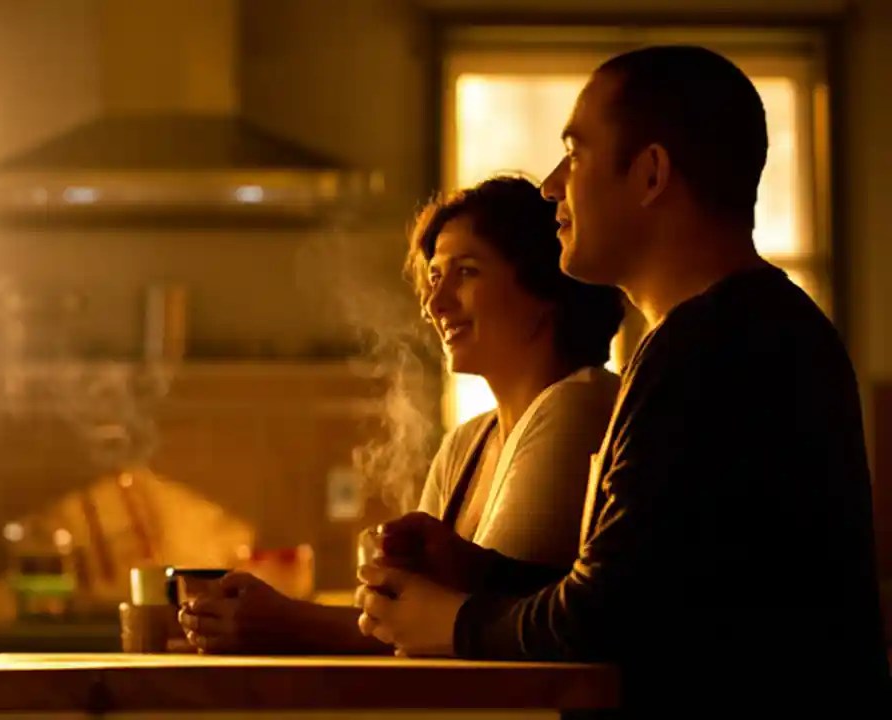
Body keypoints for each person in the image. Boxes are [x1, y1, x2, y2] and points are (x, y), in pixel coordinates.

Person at [357, 45, 889, 710]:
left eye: (574, 153)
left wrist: (452, 620)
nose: (552, 184)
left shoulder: (715, 347)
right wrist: (478, 571)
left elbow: (604, 620)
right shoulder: (735, 330)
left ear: (651, 174)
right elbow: (661, 590)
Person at [179, 175, 625, 654]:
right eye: (434, 277)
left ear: (544, 285)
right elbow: (404, 620)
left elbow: (486, 625)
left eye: (466, 272)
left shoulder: (577, 405)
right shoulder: (466, 443)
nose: (435, 303)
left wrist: (287, 622)